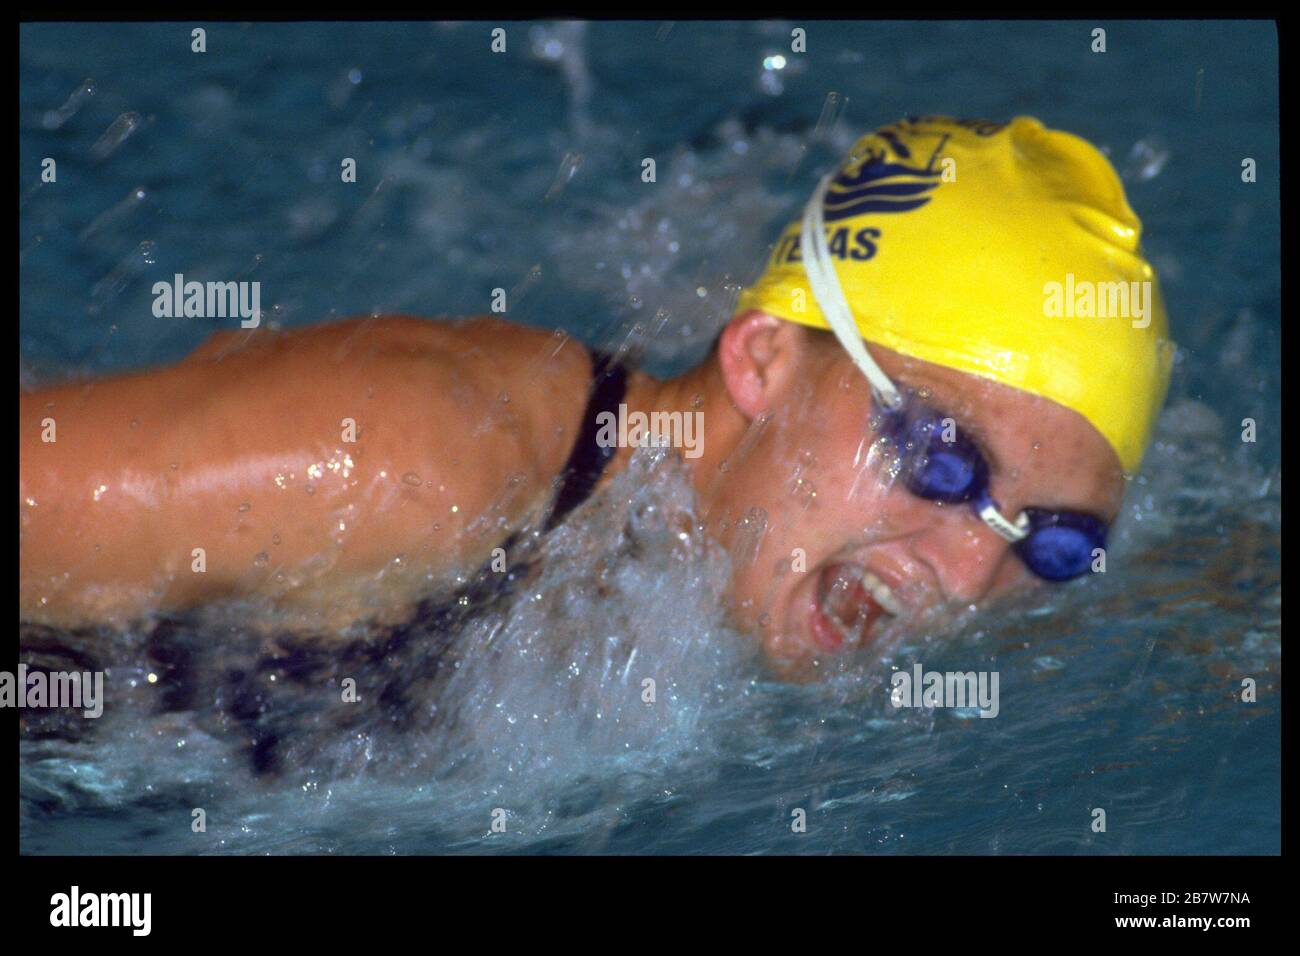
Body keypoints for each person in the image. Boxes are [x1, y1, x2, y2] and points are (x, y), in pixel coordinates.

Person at [19, 115, 1174, 674]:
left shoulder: (737, 579)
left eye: (1053, 540)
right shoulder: (414, 460)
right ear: (763, 354)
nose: (968, 574)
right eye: (937, 455)